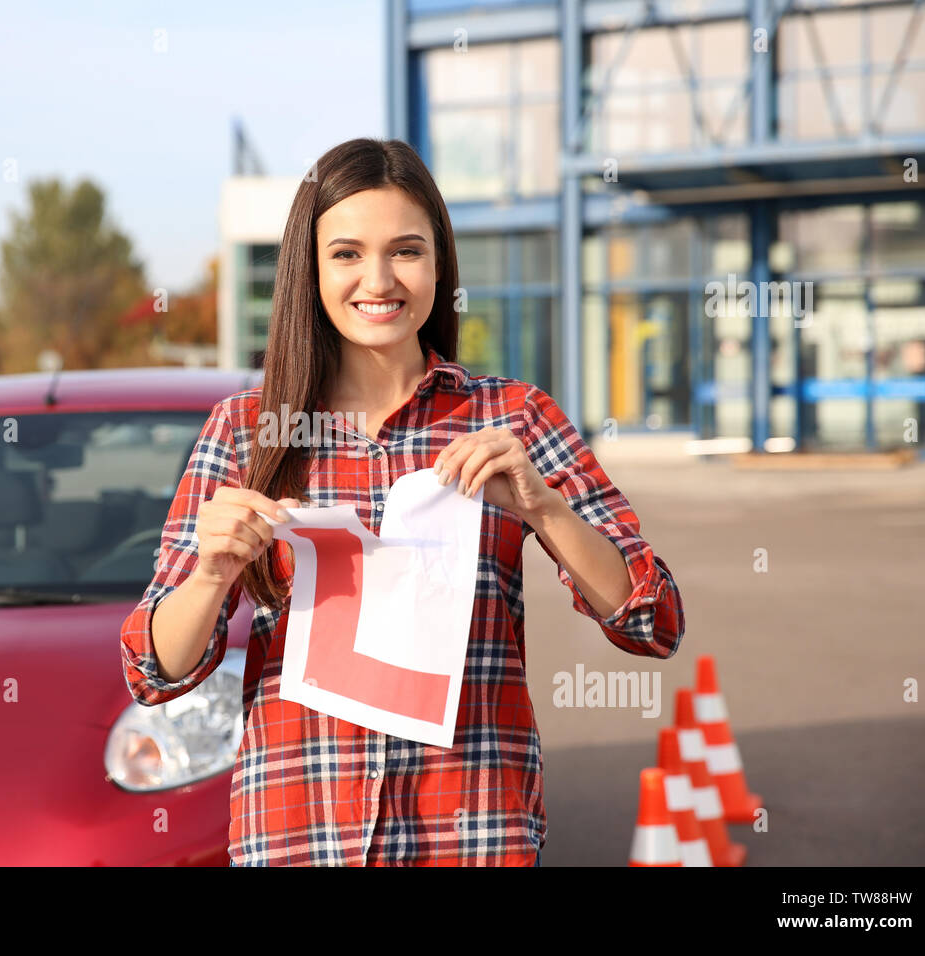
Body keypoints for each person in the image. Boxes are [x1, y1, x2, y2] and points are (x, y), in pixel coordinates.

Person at [119, 137, 685, 866]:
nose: (378, 279)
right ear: (310, 269)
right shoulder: (245, 431)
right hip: (298, 836)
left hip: (472, 836)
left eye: (406, 251)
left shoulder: (515, 420)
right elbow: (152, 671)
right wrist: (209, 574)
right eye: (347, 253)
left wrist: (546, 510)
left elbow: (653, 621)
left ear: (440, 265)